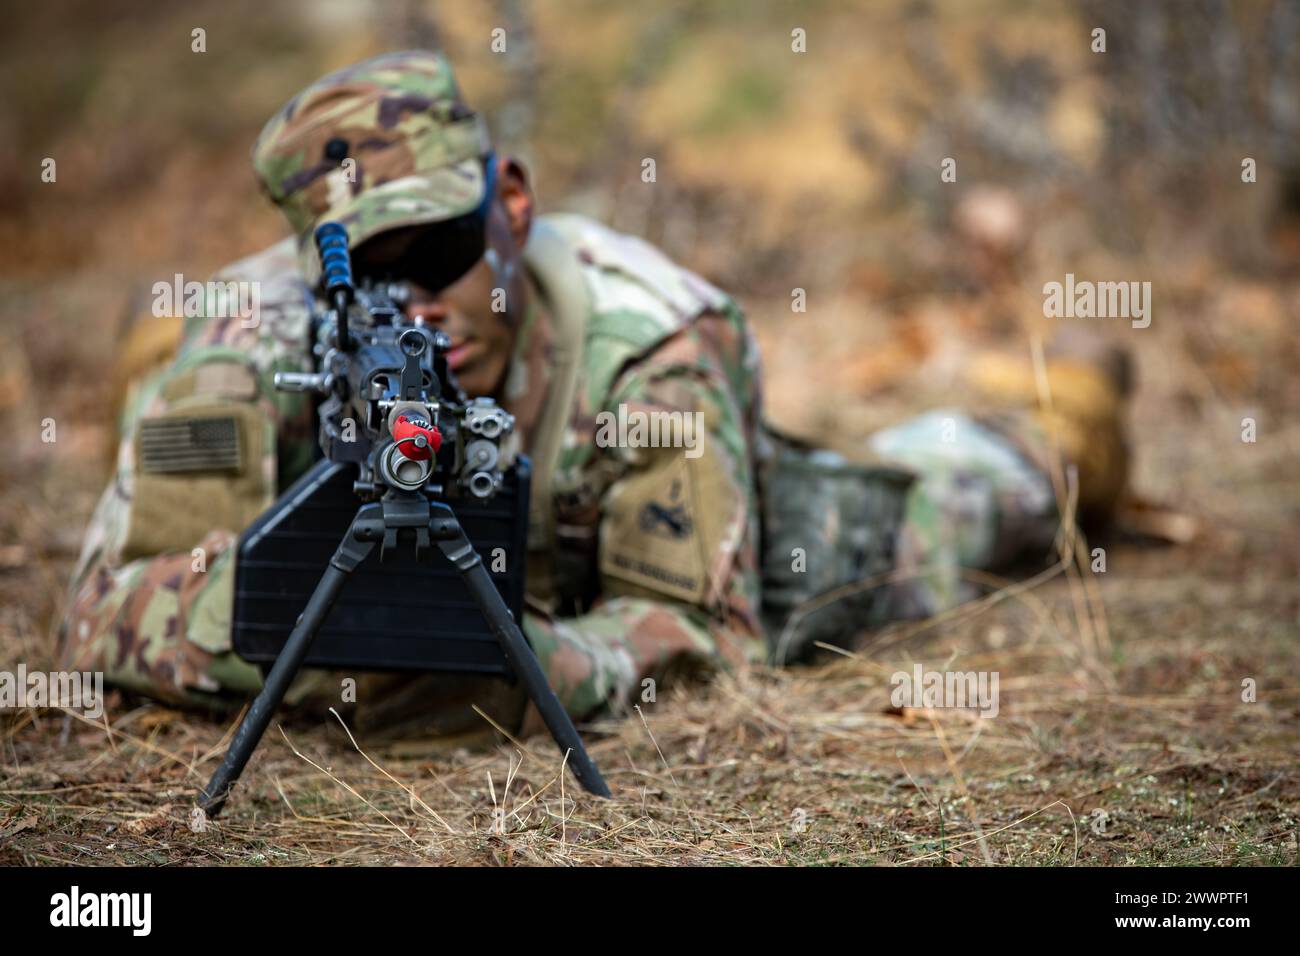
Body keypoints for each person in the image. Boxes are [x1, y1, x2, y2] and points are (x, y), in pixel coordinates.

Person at [57, 50, 1132, 734]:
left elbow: (697, 635)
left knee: (976, 490)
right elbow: (103, 606)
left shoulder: (648, 338)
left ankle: (1072, 396)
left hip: (785, 538)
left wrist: (512, 668)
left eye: (438, 251)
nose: (415, 306)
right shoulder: (247, 338)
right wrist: (312, 641)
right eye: (366, 275)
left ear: (510, 207)